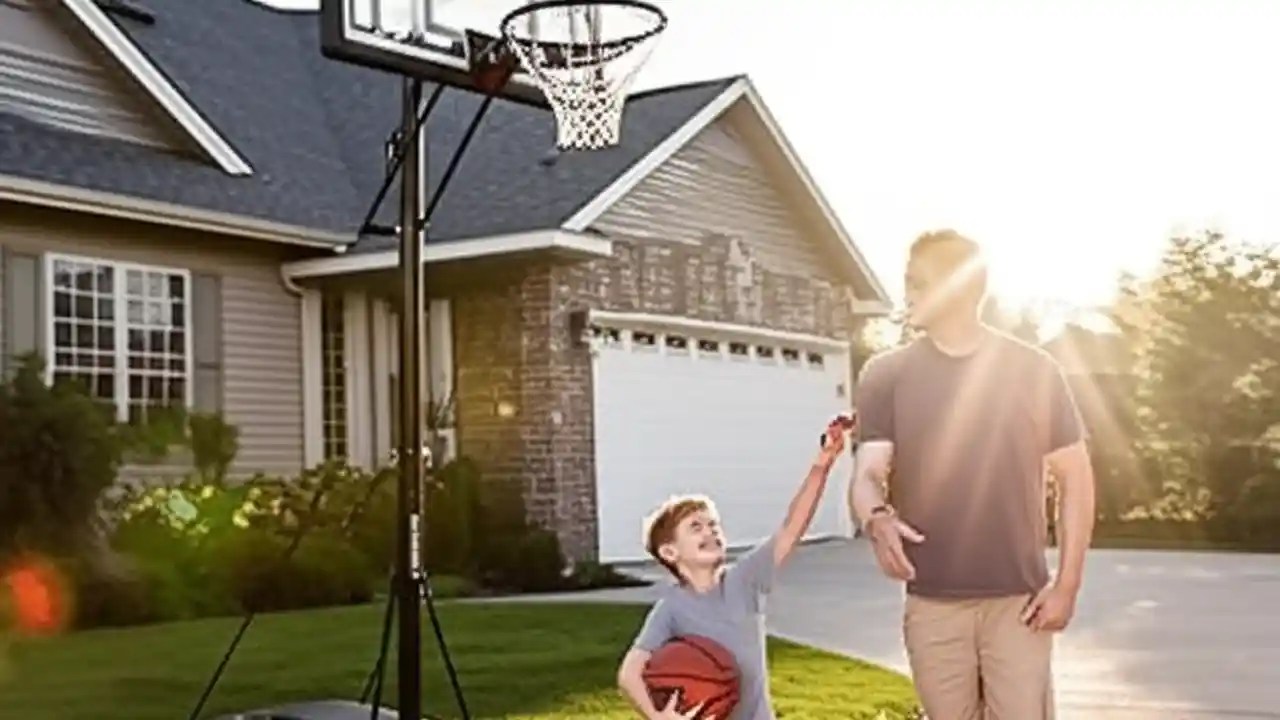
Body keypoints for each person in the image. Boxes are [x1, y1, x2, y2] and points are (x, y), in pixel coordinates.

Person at [849, 230, 1096, 720]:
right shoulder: (886, 374)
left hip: (1018, 603)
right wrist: (876, 517)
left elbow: (1077, 480)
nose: (908, 294)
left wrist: (1066, 586)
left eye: (918, 282)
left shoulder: (1034, 370)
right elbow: (868, 472)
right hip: (932, 602)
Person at [616, 416, 851, 720]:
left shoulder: (744, 580)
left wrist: (822, 465)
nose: (710, 531)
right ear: (670, 552)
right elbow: (629, 673)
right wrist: (657, 716)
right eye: (696, 527)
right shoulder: (671, 610)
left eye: (713, 525)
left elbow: (792, 527)